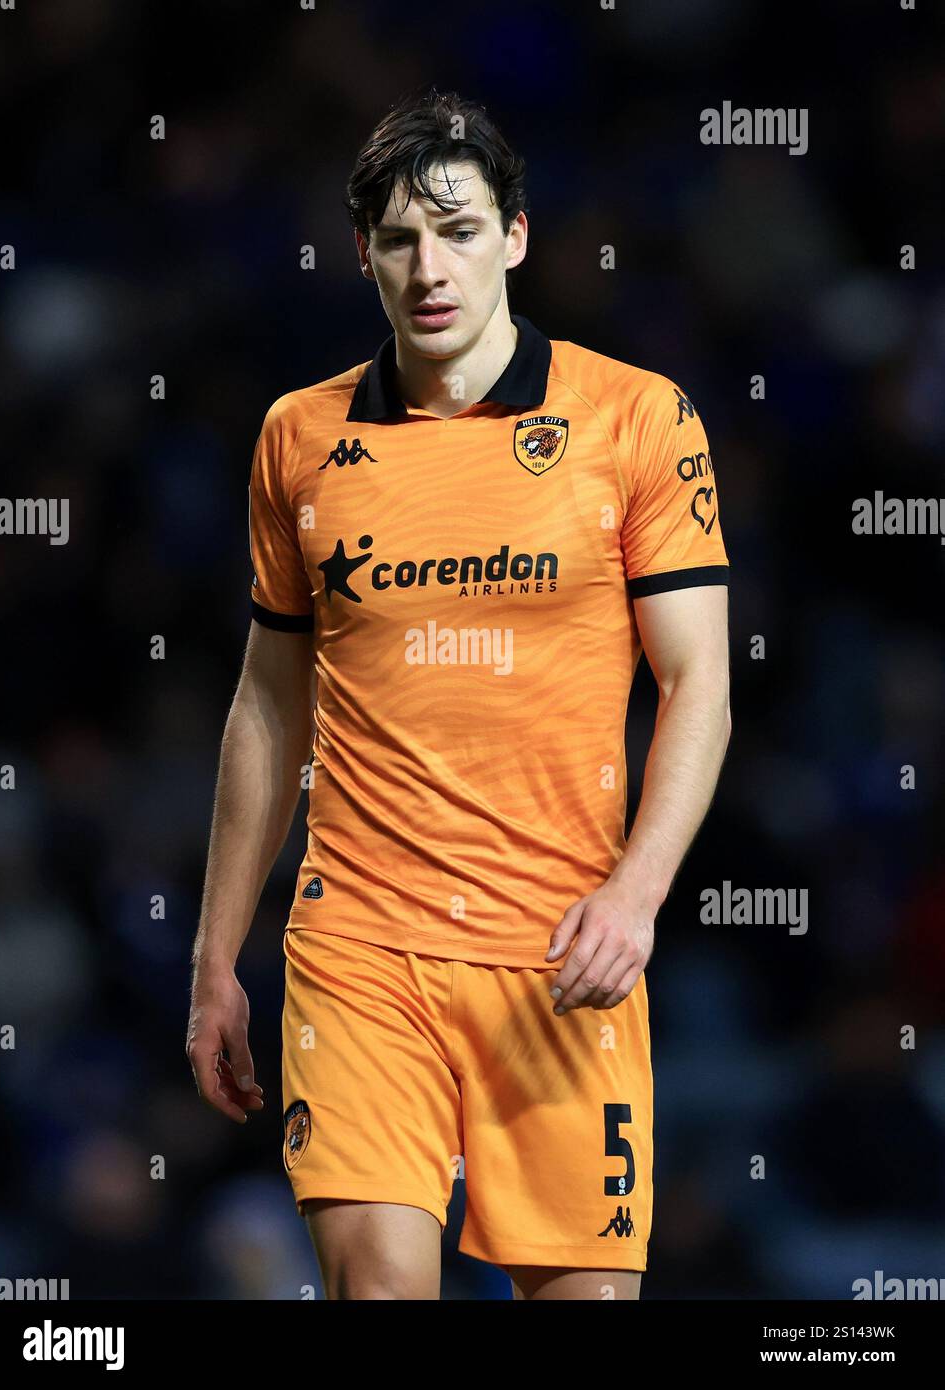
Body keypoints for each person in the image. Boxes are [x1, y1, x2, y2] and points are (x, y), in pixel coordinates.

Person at [186, 87, 731, 1301]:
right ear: (365, 254)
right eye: (399, 238)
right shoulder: (300, 437)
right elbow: (268, 701)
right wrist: (217, 955)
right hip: (359, 945)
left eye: (460, 229)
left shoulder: (637, 418)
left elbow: (699, 681)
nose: (431, 267)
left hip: (563, 951)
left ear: (518, 235)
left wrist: (636, 896)